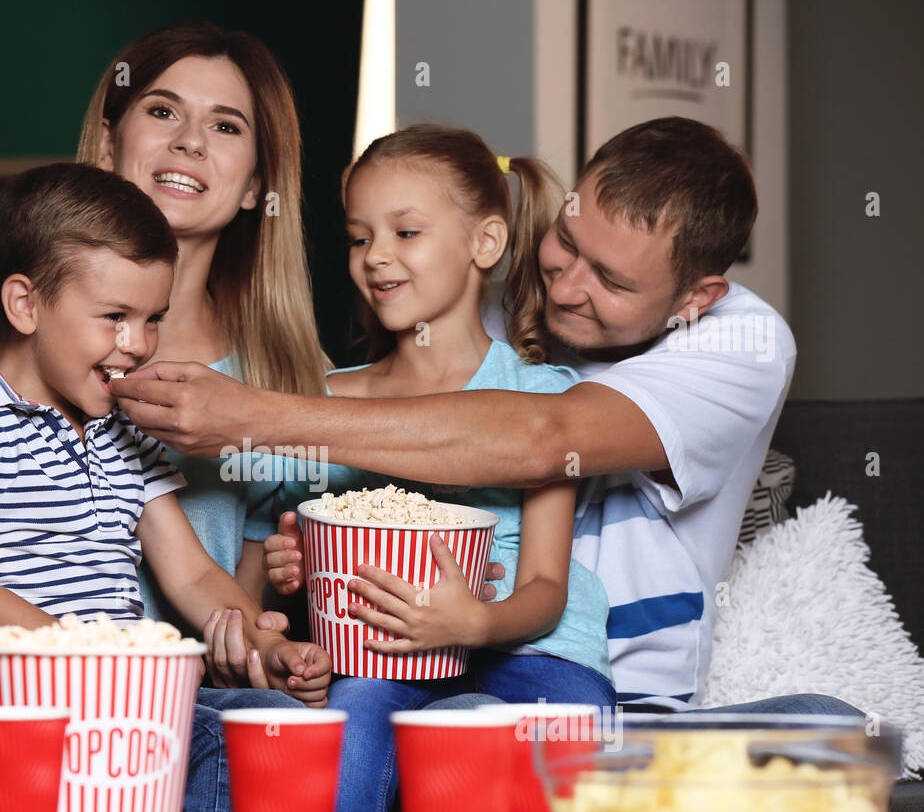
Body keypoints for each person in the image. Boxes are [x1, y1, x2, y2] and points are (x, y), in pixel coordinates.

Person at [112, 116, 859, 720]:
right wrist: (304, 556)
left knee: (826, 724)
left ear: (696, 298)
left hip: (621, 691)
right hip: (422, 658)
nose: (566, 286)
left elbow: (544, 439)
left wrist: (258, 415)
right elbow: (360, 475)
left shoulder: (742, 341)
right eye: (567, 243)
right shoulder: (479, 300)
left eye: (610, 281)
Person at [0, 22, 333, 812]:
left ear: (260, 183)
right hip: (25, 703)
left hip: (146, 702)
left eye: (225, 126)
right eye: (163, 111)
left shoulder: (134, 427)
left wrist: (265, 643)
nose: (137, 346)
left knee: (246, 738)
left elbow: (196, 578)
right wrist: (92, 657)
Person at [259, 125, 613, 812]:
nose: (376, 258)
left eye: (406, 232)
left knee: (553, 754)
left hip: (533, 649)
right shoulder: (322, 401)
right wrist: (292, 565)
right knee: (343, 740)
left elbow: (545, 589)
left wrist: (476, 620)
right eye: (360, 238)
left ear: (485, 243)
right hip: (382, 654)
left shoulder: (542, 397)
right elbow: (289, 550)